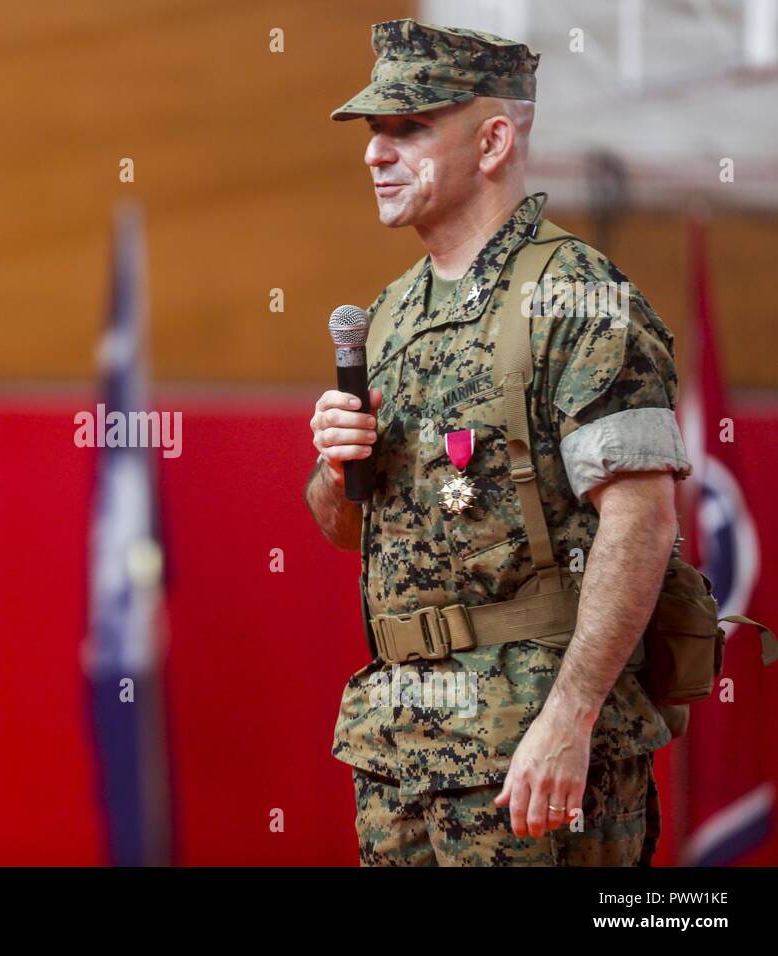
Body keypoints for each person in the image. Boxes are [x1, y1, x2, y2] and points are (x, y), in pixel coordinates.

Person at [304, 18, 693, 866]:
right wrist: (339, 469)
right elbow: (350, 532)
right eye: (374, 132)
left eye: (409, 128)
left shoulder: (578, 299)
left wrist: (572, 715)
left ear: (491, 141)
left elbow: (644, 523)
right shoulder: (393, 312)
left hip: (529, 753)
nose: (377, 153)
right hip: (401, 751)